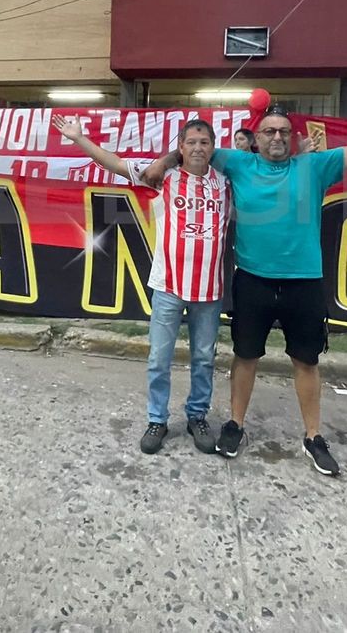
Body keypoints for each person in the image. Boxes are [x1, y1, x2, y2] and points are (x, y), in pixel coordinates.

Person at [144, 93, 347, 476]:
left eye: (284, 132)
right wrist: (164, 160)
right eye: (269, 131)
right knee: (245, 356)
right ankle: (235, 425)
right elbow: (193, 150)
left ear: (293, 136)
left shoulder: (315, 165)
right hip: (252, 280)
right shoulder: (237, 161)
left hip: (303, 281)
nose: (276, 137)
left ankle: (313, 436)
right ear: (256, 136)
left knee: (306, 360)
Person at [54, 114, 230, 455]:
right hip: (168, 285)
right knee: (158, 358)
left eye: (204, 142)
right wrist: (79, 138)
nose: (197, 147)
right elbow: (114, 163)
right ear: (180, 148)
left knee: (204, 358)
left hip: (209, 289)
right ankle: (157, 420)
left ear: (213, 148)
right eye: (190, 142)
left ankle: (197, 416)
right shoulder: (162, 178)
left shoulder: (226, 183)